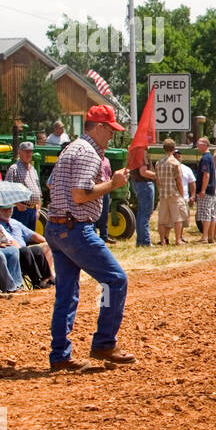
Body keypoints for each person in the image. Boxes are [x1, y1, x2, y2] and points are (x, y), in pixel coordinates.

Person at [43, 104, 133, 372]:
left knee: (67, 293)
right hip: (76, 228)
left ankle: (60, 355)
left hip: (57, 227)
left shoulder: (70, 149)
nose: (112, 136)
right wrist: (113, 185)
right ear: (100, 127)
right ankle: (104, 342)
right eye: (111, 130)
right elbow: (80, 194)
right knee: (115, 279)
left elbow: (51, 184)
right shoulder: (88, 154)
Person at [0, 205, 54, 288]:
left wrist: (49, 242)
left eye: (10, 208)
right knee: (25, 250)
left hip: (23, 249)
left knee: (37, 249)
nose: (8, 211)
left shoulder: (15, 223)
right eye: (5, 209)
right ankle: (36, 281)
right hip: (11, 251)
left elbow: (33, 235)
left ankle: (47, 278)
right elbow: (1, 240)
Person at [155, 139, 187, 245]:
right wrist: (182, 195)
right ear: (173, 149)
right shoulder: (175, 163)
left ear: (164, 149)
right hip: (174, 193)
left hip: (163, 194)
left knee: (162, 219)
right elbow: (178, 181)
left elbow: (158, 181)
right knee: (177, 217)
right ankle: (178, 239)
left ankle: (163, 241)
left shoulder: (158, 163)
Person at [5, 141, 42, 232]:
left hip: (33, 210)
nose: (28, 154)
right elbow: (6, 190)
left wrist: (38, 208)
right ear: (20, 152)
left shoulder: (33, 169)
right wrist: (18, 204)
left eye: (30, 152)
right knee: (20, 237)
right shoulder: (14, 169)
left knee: (31, 239)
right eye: (26, 152)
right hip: (21, 210)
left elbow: (38, 190)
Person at [128, 144, 157, 247]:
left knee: (141, 213)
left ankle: (140, 240)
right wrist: (157, 175)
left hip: (137, 183)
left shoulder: (133, 152)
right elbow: (143, 172)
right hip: (145, 184)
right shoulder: (142, 153)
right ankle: (144, 240)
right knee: (146, 213)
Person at [195, 137, 216, 243]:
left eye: (199, 144)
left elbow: (206, 175)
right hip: (211, 189)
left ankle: (204, 237)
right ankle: (210, 236)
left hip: (206, 190)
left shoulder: (205, 159)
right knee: (211, 213)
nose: (197, 146)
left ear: (205, 145)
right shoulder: (210, 157)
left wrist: (203, 189)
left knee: (205, 213)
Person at [179, 157, 196, 234]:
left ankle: (180, 237)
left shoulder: (187, 169)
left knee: (183, 218)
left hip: (184, 197)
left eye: (179, 156)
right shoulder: (169, 167)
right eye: (175, 156)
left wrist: (192, 195)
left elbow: (192, 183)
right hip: (173, 196)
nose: (177, 158)